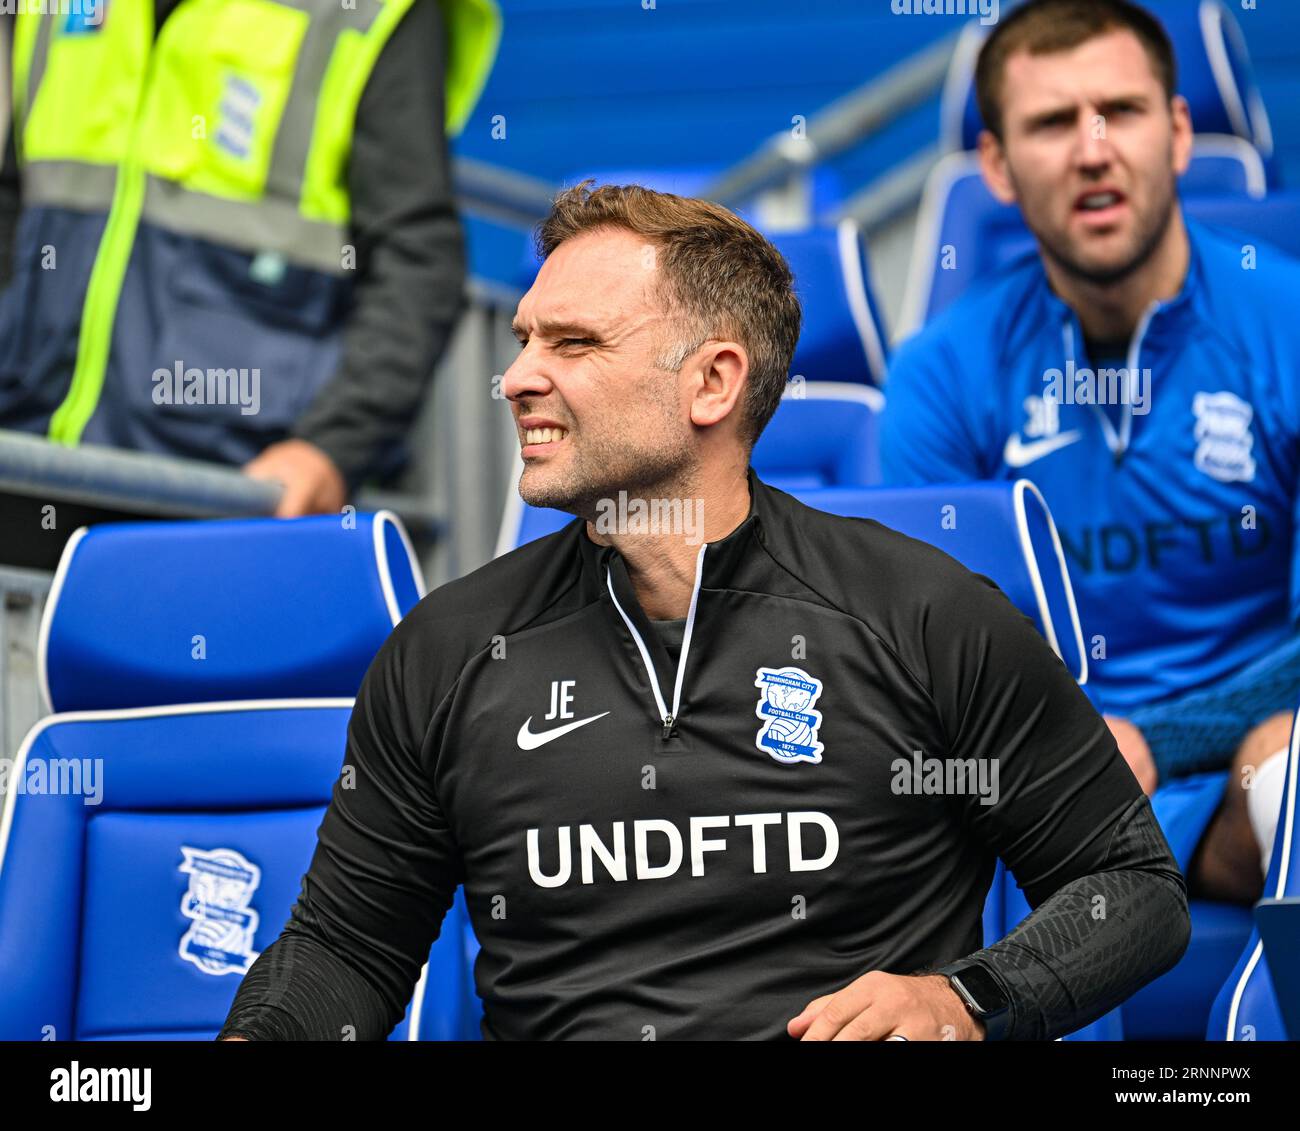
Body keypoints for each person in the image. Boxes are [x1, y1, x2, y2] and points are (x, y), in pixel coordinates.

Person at [219, 182, 1188, 1042]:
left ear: (713, 381)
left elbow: (1131, 888)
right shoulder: (446, 651)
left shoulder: (924, 615)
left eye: (574, 343)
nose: (515, 377)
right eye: (521, 340)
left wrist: (966, 999)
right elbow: (345, 952)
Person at [881, 0, 1298, 906]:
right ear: (995, 163)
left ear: (1180, 132)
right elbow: (913, 656)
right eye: (1052, 122)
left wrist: (1157, 736)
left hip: (1243, 773)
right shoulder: (943, 372)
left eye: (1122, 111)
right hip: (1034, 794)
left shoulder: (1289, 327)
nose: (1092, 149)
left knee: (1288, 771)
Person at [0, 0, 499, 516]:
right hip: (26, 457)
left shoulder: (366, 11)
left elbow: (417, 257)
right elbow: (15, 205)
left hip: (227, 489)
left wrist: (330, 448)